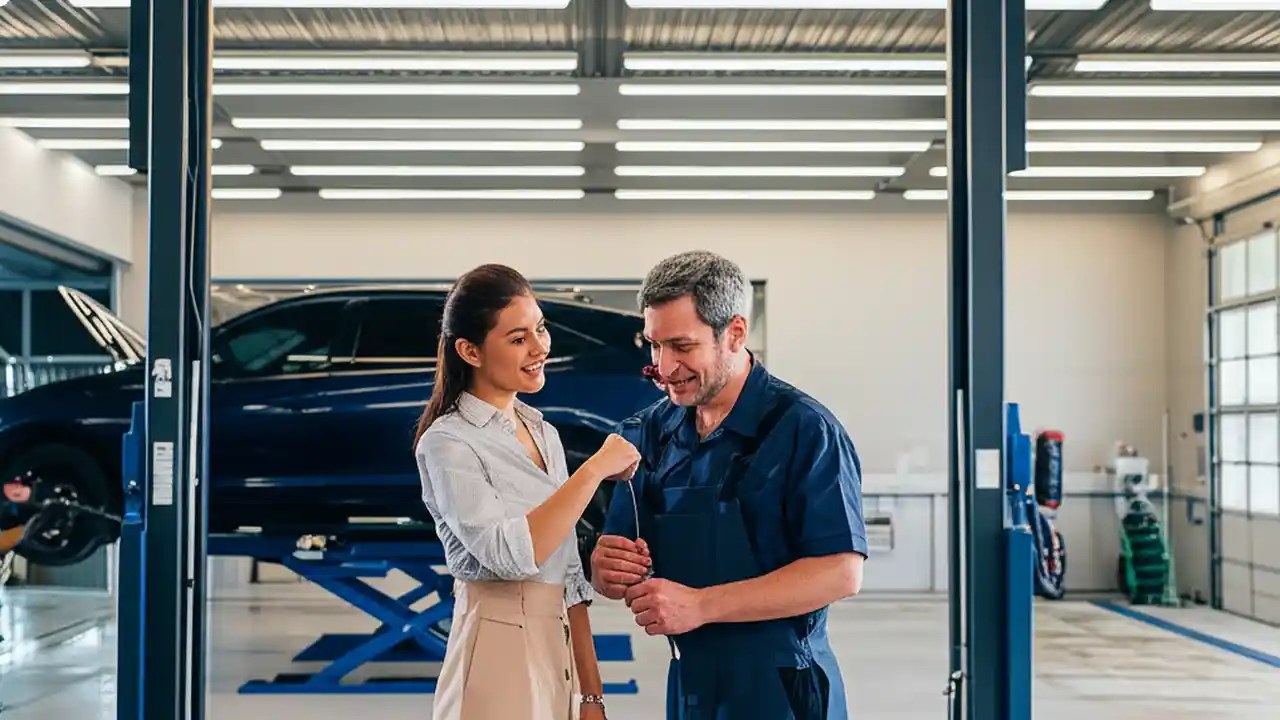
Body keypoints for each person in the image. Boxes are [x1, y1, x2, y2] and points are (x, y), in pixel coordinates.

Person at [590, 250, 868, 719]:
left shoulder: (804, 429)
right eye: (654, 346)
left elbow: (840, 571)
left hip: (783, 690)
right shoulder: (647, 433)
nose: (664, 367)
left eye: (682, 346)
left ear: (734, 333)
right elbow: (617, 563)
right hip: (692, 686)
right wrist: (606, 570)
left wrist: (701, 605)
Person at [414, 264, 642, 720]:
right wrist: (594, 469)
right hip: (495, 648)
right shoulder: (448, 443)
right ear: (469, 351)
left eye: (540, 329)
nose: (540, 348)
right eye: (518, 339)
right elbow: (510, 555)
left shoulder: (543, 432)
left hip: (555, 647)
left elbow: (571, 577)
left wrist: (592, 696)